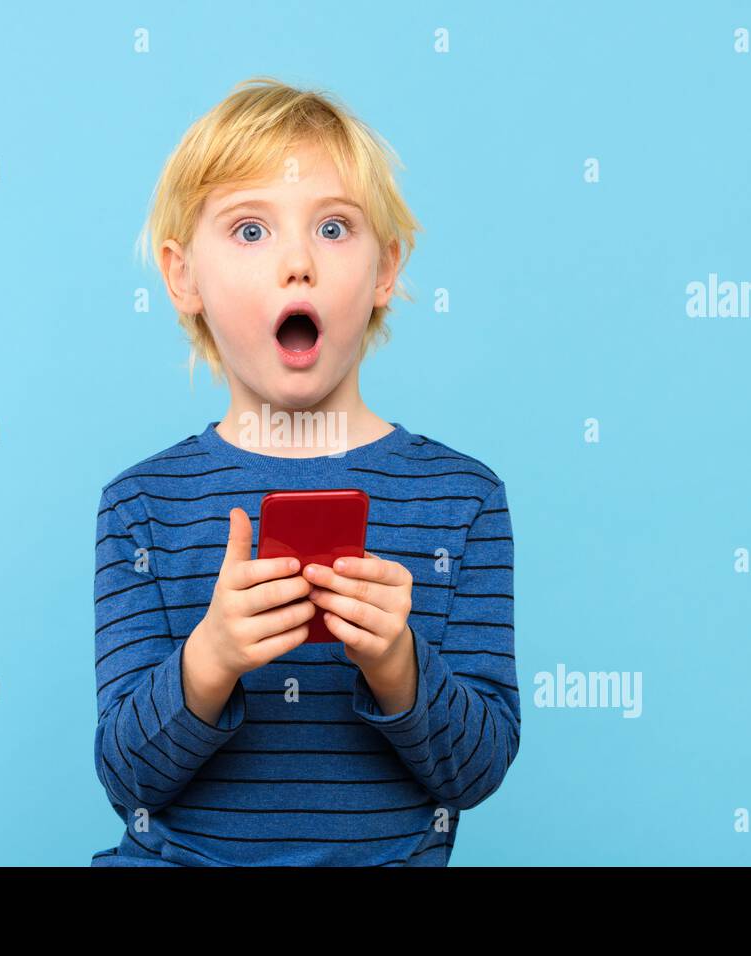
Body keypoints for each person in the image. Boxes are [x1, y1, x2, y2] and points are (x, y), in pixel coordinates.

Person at [91, 76, 518, 866]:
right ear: (184, 277)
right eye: (250, 231)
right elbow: (127, 778)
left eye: (332, 227)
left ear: (386, 269)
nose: (297, 263)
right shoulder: (141, 506)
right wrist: (208, 659)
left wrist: (398, 665)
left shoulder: (463, 501)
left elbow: (477, 770)